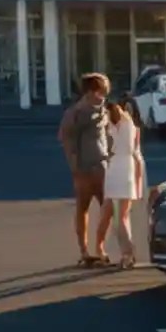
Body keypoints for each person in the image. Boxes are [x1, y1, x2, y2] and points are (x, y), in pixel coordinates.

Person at [57, 72, 113, 267]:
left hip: (102, 165)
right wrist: (74, 165)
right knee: (83, 208)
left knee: (108, 207)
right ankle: (85, 251)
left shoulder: (104, 111)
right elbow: (65, 138)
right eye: (102, 91)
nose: (104, 95)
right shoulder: (76, 113)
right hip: (83, 168)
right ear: (90, 92)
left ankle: (100, 247)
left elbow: (109, 136)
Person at [103, 101, 146, 269]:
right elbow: (136, 151)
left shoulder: (110, 127)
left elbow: (107, 149)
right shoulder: (132, 126)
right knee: (124, 215)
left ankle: (128, 252)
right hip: (129, 168)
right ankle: (128, 252)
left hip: (115, 169)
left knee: (119, 218)